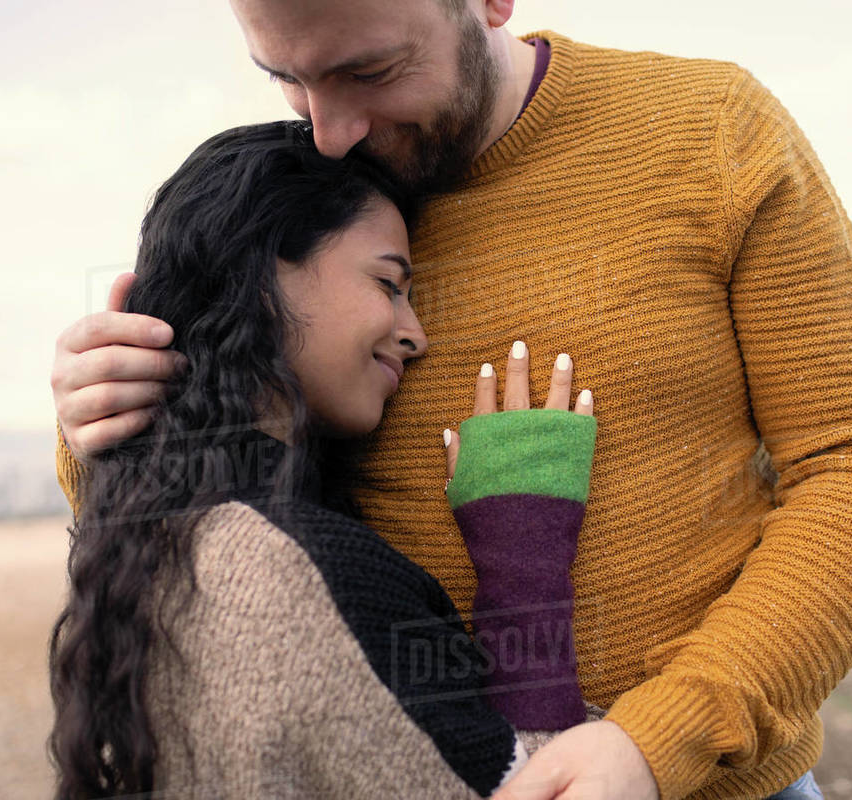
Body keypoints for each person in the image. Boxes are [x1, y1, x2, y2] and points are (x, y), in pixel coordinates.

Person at [49, 2, 852, 798]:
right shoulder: (326, 193)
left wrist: (663, 740)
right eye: (287, 78)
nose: (328, 129)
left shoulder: (711, 130)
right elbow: (234, 505)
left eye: (371, 71)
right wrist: (102, 419)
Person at [47, 120, 603, 799]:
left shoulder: (153, 535)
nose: (415, 334)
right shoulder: (307, 568)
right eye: (388, 284)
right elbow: (541, 787)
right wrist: (525, 551)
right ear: (265, 273)